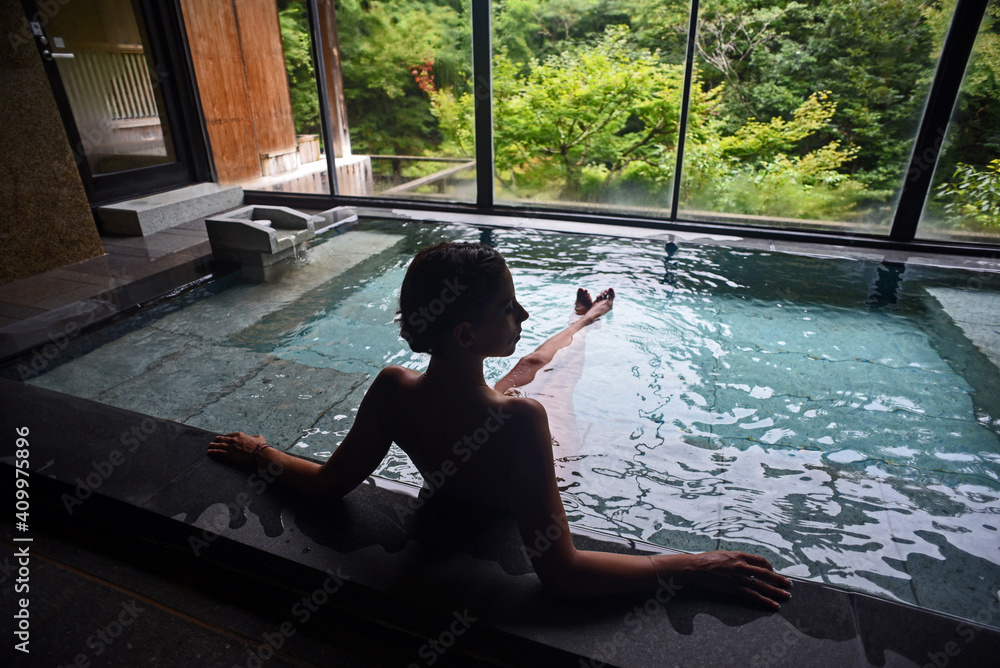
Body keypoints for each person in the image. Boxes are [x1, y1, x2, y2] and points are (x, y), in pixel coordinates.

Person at [209, 241, 792, 608]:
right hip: (548, 451)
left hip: (476, 406)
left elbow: (323, 486)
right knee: (549, 379)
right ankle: (584, 324)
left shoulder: (393, 389)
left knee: (532, 364)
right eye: (510, 307)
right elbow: (561, 575)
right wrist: (692, 566)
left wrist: (261, 451)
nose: (521, 312)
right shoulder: (520, 420)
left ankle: (584, 319)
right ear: (465, 333)